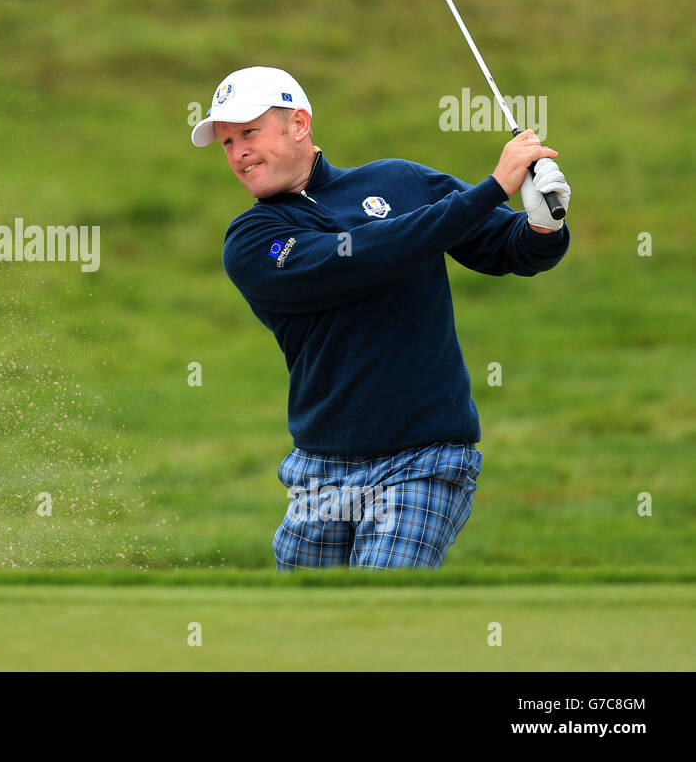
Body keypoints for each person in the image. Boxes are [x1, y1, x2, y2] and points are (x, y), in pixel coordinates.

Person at [191, 66, 571, 569]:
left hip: (425, 459)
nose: (238, 153)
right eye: (226, 142)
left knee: (380, 603)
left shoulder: (400, 182)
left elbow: (508, 250)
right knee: (311, 639)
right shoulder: (253, 238)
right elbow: (358, 257)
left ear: (299, 124)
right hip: (320, 471)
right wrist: (489, 189)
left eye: (249, 133)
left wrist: (545, 224)